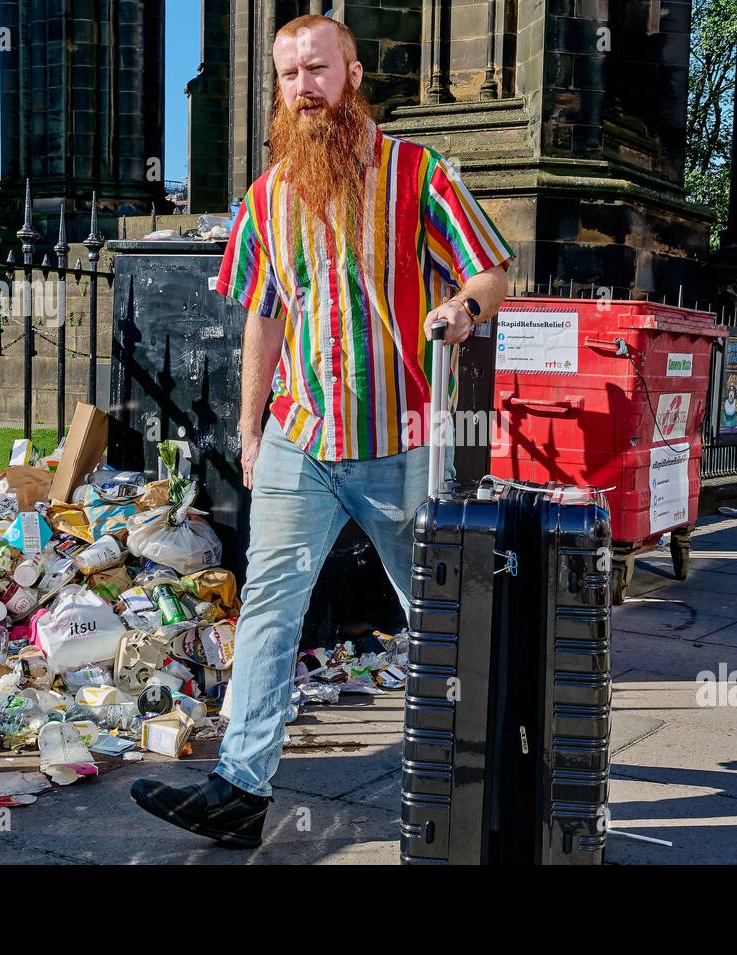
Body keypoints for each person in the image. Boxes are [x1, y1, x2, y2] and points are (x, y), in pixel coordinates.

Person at [129, 14, 512, 846]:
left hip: (400, 442)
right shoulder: (268, 194)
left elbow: (490, 264)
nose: (302, 89)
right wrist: (250, 425)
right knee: (268, 609)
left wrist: (461, 305)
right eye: (288, 75)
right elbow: (262, 317)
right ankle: (241, 788)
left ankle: (481, 773)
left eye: (316, 70)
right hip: (302, 442)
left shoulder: (418, 172)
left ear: (352, 73)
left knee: (441, 612)